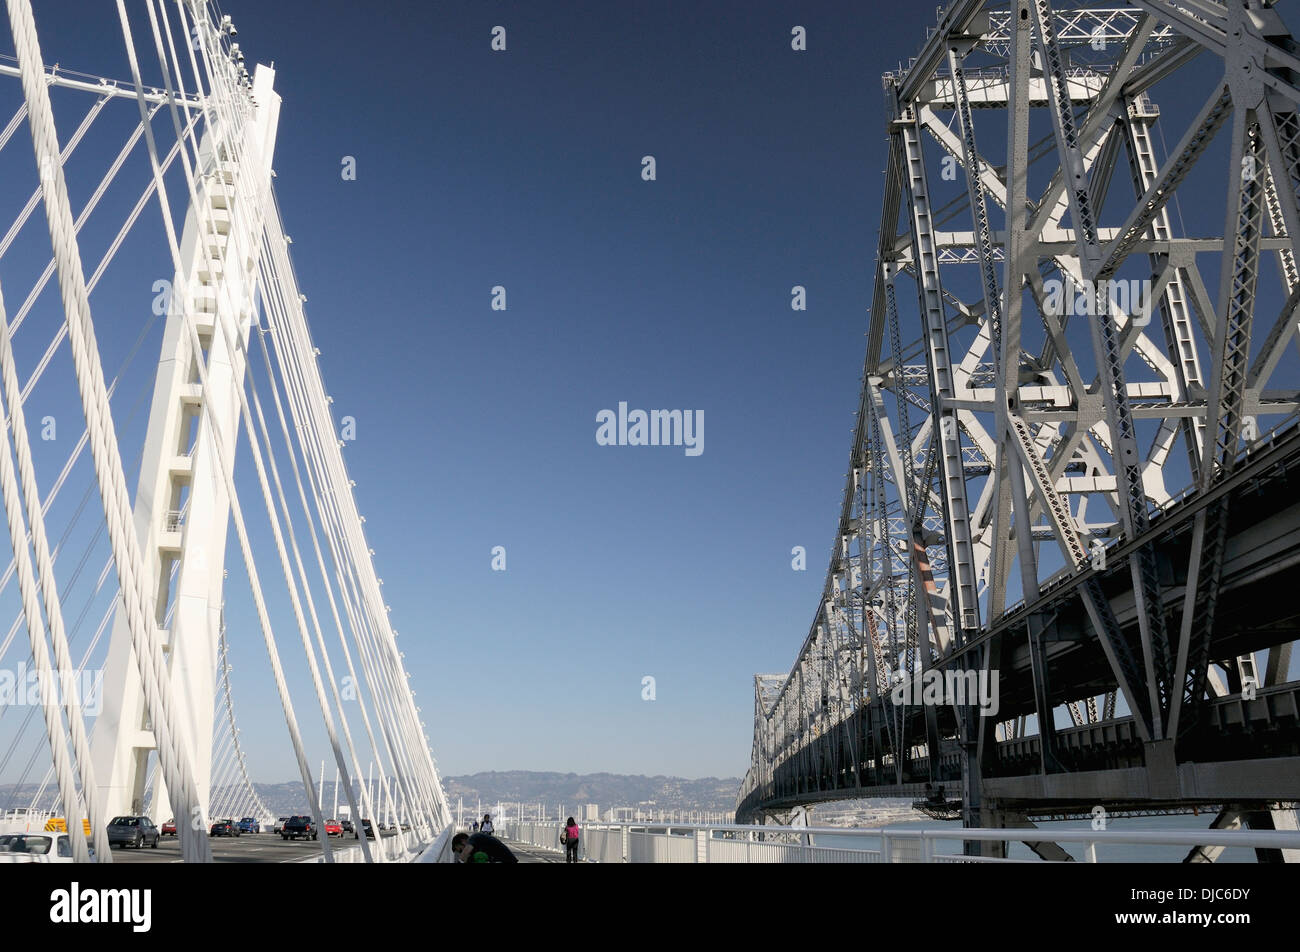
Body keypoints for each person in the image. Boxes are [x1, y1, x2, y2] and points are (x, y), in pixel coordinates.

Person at [452, 831, 517, 863]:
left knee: (478, 856)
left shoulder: (474, 837)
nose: (461, 853)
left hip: (507, 861)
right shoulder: (474, 850)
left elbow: (466, 852)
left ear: (463, 841)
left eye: (460, 850)